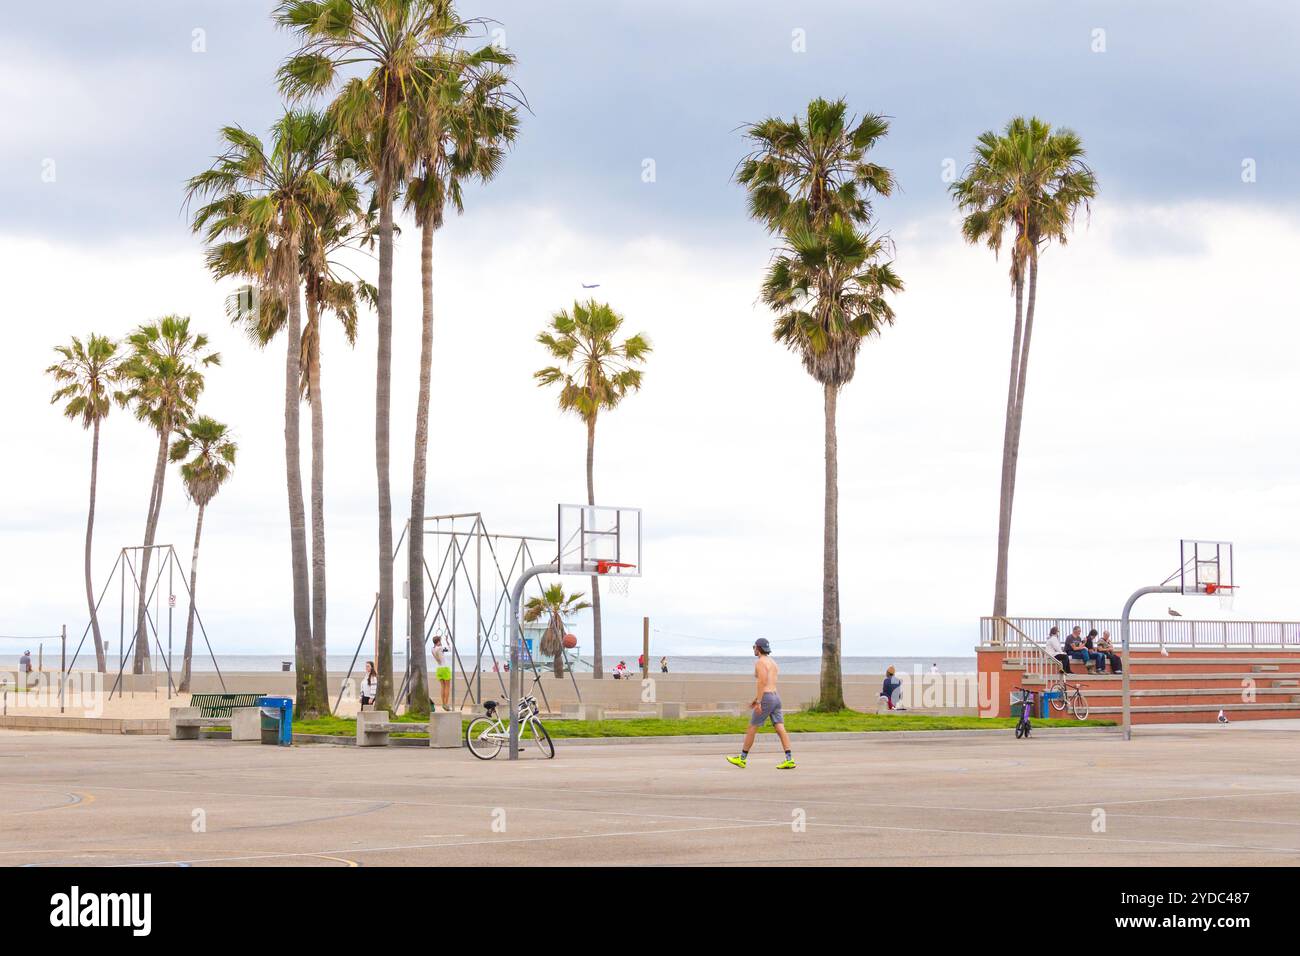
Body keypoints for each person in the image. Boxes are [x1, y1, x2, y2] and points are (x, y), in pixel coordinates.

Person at [726, 638, 795, 769]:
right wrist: (756, 699)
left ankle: (742, 759)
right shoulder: (773, 662)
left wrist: (759, 701)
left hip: (767, 698)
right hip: (776, 697)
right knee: (780, 727)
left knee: (752, 727)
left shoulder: (760, 662)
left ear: (758, 648)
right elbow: (770, 682)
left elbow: (762, 682)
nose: (753, 649)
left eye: (754, 647)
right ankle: (789, 759)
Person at [432, 635, 451, 711]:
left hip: (438, 669)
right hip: (445, 668)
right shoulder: (440, 648)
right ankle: (446, 704)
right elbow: (449, 649)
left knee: (442, 687)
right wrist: (447, 641)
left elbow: (439, 651)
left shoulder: (433, 649)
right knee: (447, 687)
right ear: (438, 641)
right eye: (440, 641)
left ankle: (443, 703)